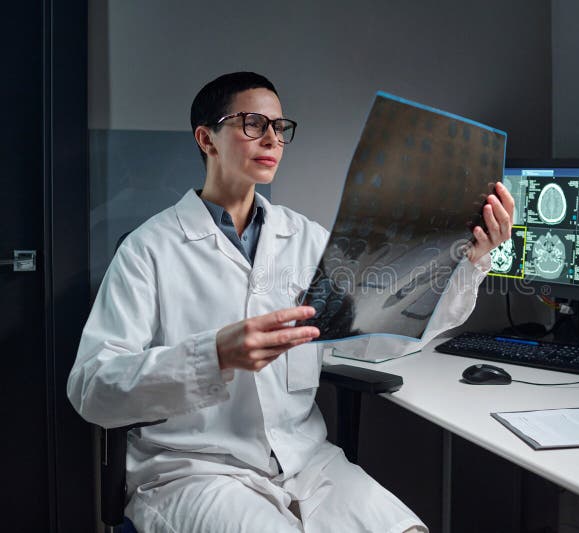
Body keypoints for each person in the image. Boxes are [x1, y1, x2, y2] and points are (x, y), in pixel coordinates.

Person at [68, 72, 514, 533]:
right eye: (252, 123)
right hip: (195, 470)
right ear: (206, 138)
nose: (272, 139)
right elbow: (91, 388)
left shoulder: (306, 240)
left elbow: (375, 340)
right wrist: (215, 355)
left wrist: (469, 262)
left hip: (307, 463)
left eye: (280, 128)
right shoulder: (149, 249)